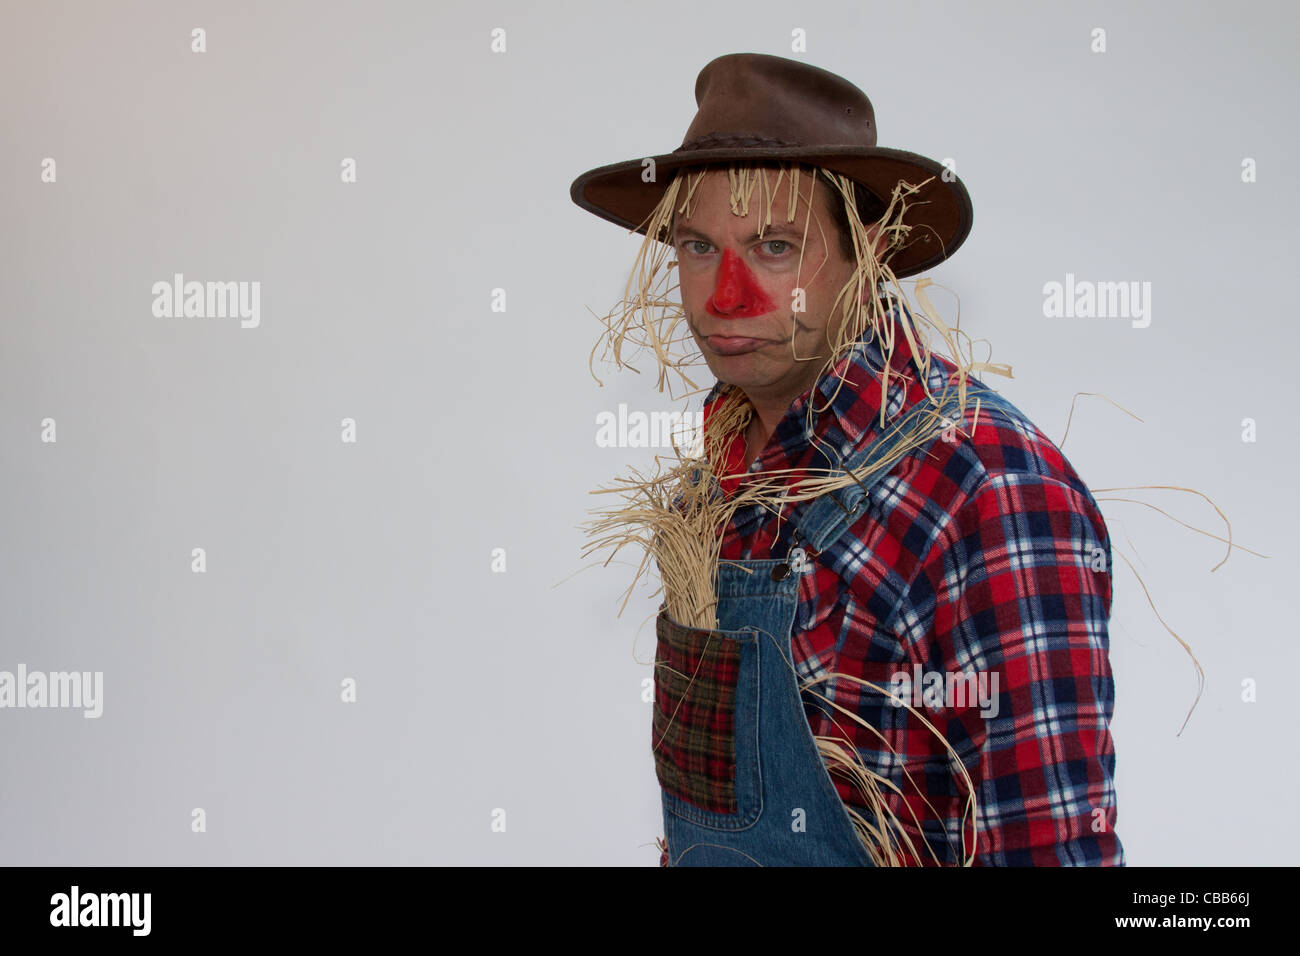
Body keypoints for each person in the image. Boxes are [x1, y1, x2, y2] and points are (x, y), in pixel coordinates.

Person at [572, 52, 1123, 866]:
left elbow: (1048, 850)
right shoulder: (713, 483)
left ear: (867, 251)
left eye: (773, 248)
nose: (726, 298)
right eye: (696, 246)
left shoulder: (985, 491)